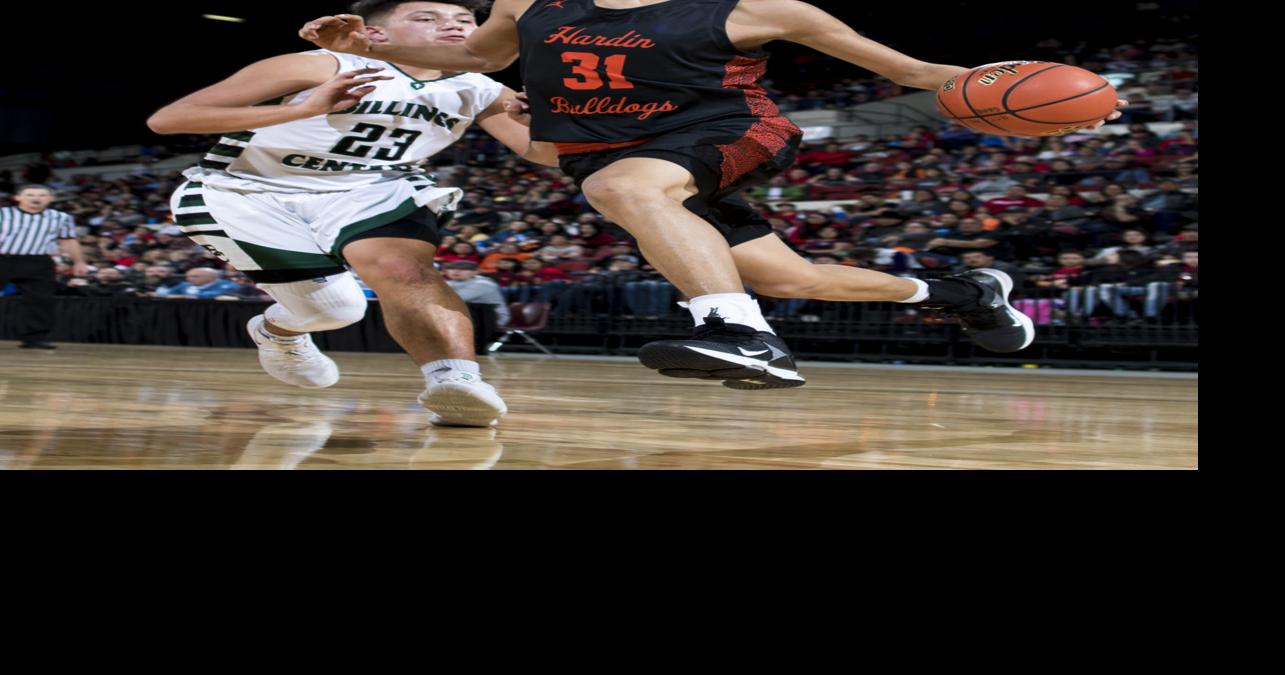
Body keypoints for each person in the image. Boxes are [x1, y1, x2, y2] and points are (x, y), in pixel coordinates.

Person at [301, 0, 1125, 390]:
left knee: (628, 187)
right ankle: (965, 293)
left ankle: (745, 341)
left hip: (727, 136)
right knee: (785, 277)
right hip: (617, 158)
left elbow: (915, 77)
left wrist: (1029, 93)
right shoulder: (529, 6)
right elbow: (472, 58)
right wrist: (363, 43)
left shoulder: (764, 10)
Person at [150, 0, 559, 426]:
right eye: (427, 18)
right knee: (337, 311)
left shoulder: (483, 88)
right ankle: (279, 330)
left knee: (404, 267)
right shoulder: (321, 65)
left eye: (464, 20)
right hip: (250, 190)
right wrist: (303, 109)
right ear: (375, 33)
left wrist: (550, 124)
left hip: (368, 187)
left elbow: (545, 155)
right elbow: (171, 119)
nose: (452, 26)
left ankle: (455, 380)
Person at [0, 185, 91, 349]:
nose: (36, 198)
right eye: (30, 195)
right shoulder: (3, 213)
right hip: (3, 258)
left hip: (38, 261)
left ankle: (35, 338)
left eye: (42, 195)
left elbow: (68, 240)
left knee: (41, 301)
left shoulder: (61, 217)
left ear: (51, 199)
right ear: (18, 198)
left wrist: (79, 262)